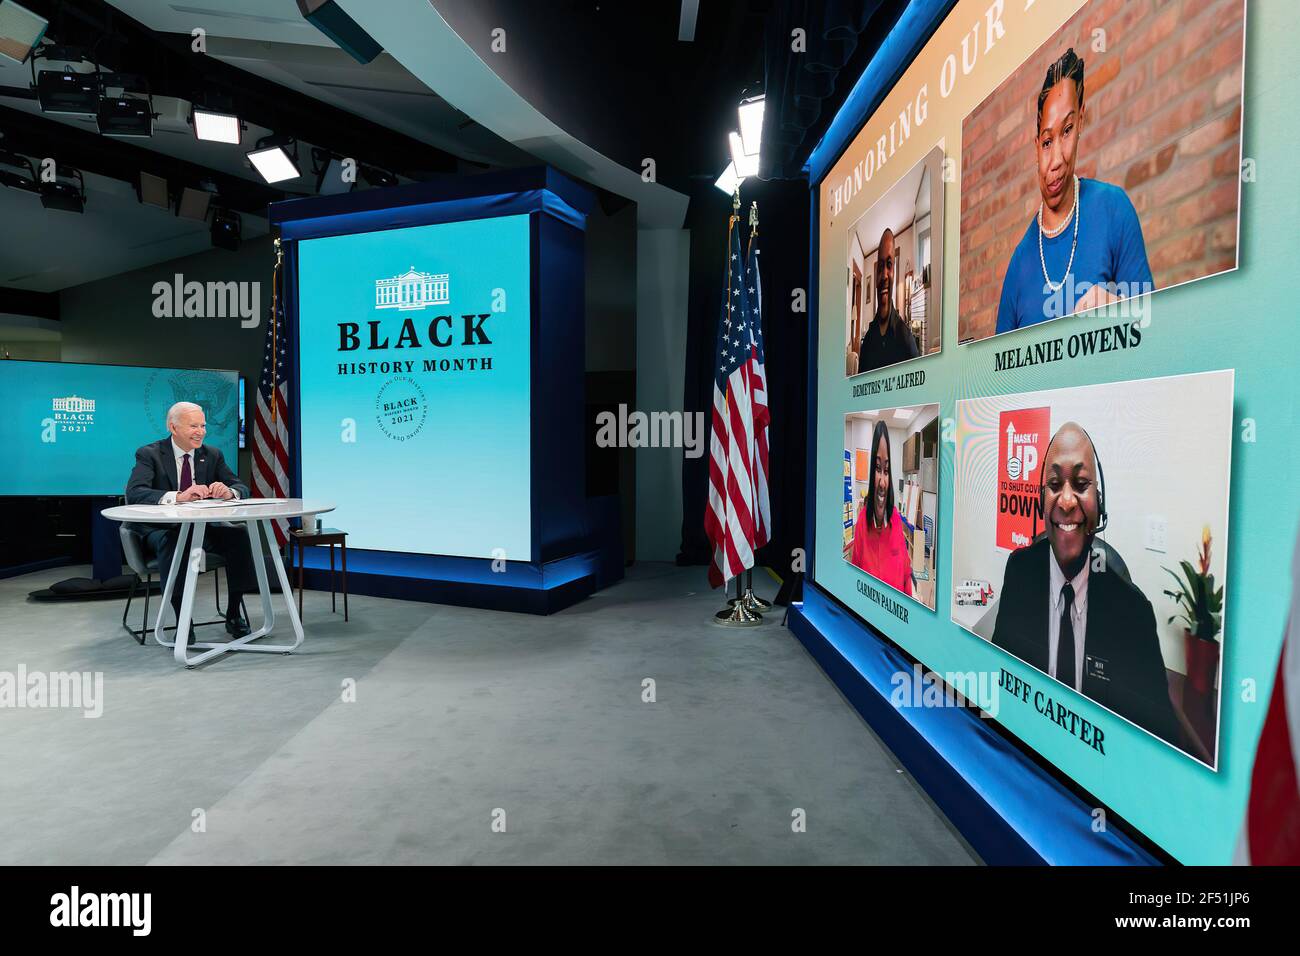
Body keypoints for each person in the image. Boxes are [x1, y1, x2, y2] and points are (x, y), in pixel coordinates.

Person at [992, 422, 1181, 746]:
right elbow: (998, 679)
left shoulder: (1133, 614)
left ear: (1100, 503)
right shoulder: (1019, 572)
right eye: (1054, 484)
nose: (1066, 501)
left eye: (1080, 484)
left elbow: (1156, 743)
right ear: (1041, 500)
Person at [994, 48, 1153, 334]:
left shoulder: (1113, 210)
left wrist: (1119, 309)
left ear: (1080, 120)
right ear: (1036, 147)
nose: (1056, 160)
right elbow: (1000, 374)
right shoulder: (1019, 263)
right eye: (1046, 142)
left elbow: (1154, 330)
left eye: (1066, 131)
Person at [125, 401, 255, 637]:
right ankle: (183, 620)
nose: (201, 432)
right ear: (173, 428)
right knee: (173, 542)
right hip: (160, 530)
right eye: (193, 426)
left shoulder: (212, 454)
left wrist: (229, 492)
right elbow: (134, 492)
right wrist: (178, 496)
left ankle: (234, 613)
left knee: (238, 535)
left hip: (201, 529)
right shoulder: (149, 454)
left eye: (203, 425)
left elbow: (241, 486)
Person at [850, 419, 913, 596]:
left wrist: (914, 594)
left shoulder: (894, 518)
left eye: (886, 471)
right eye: (878, 469)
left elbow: (906, 572)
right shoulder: (863, 520)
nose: (883, 482)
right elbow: (854, 574)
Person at [856, 227, 920, 372]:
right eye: (880, 267)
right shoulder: (867, 341)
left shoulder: (906, 339)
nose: (884, 275)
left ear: (894, 271)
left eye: (889, 265)